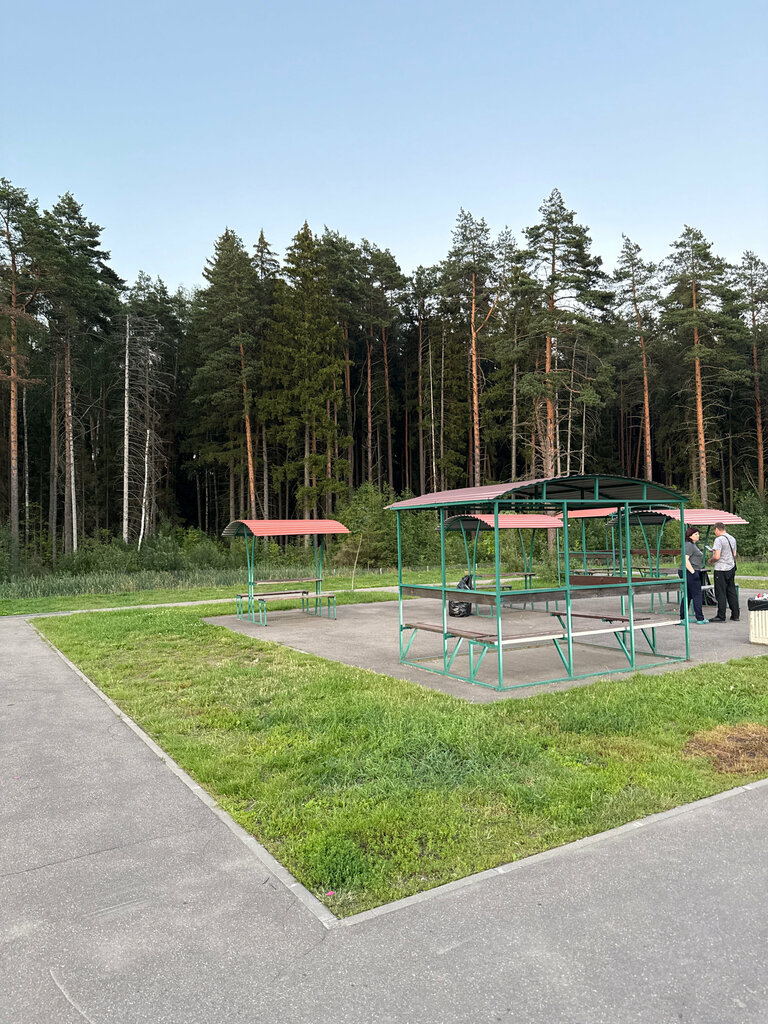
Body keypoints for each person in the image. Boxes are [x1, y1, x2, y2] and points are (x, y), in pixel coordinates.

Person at [708, 522, 739, 622]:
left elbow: (717, 556)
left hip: (721, 569)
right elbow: (734, 554)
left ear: (717, 529)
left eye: (714, 530)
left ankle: (721, 616)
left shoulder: (718, 539)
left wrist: (710, 560)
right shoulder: (732, 538)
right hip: (731, 567)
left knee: (720, 592)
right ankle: (735, 614)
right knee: (731, 591)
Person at [680, 527, 708, 625]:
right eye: (695, 534)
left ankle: (683, 617)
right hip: (689, 571)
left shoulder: (691, 545)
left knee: (688, 595)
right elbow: (685, 559)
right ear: (690, 535)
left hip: (691, 571)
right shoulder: (689, 545)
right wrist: (692, 572)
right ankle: (700, 618)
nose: (698, 535)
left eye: (698, 534)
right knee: (697, 594)